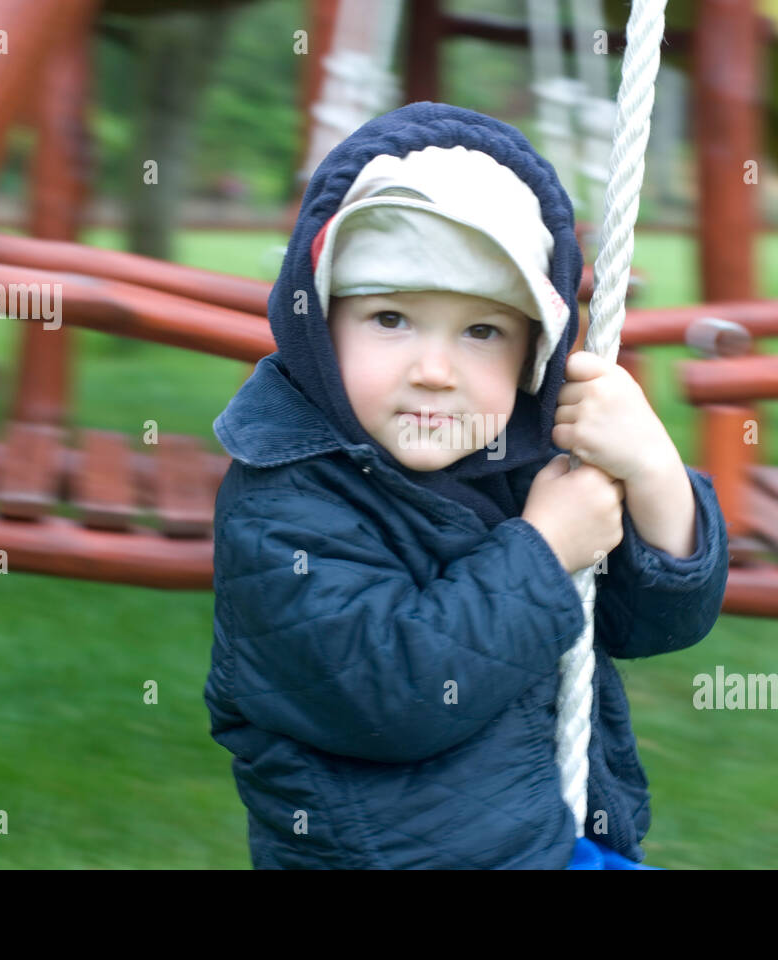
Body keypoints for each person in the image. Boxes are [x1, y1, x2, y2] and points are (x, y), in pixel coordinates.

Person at [205, 101, 729, 869]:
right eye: (390, 318)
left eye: (481, 331)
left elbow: (657, 624)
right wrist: (545, 550)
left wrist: (652, 472)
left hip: (553, 844)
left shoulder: (524, 464)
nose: (434, 370)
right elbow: (391, 694)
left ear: (530, 356)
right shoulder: (282, 502)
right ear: (320, 323)